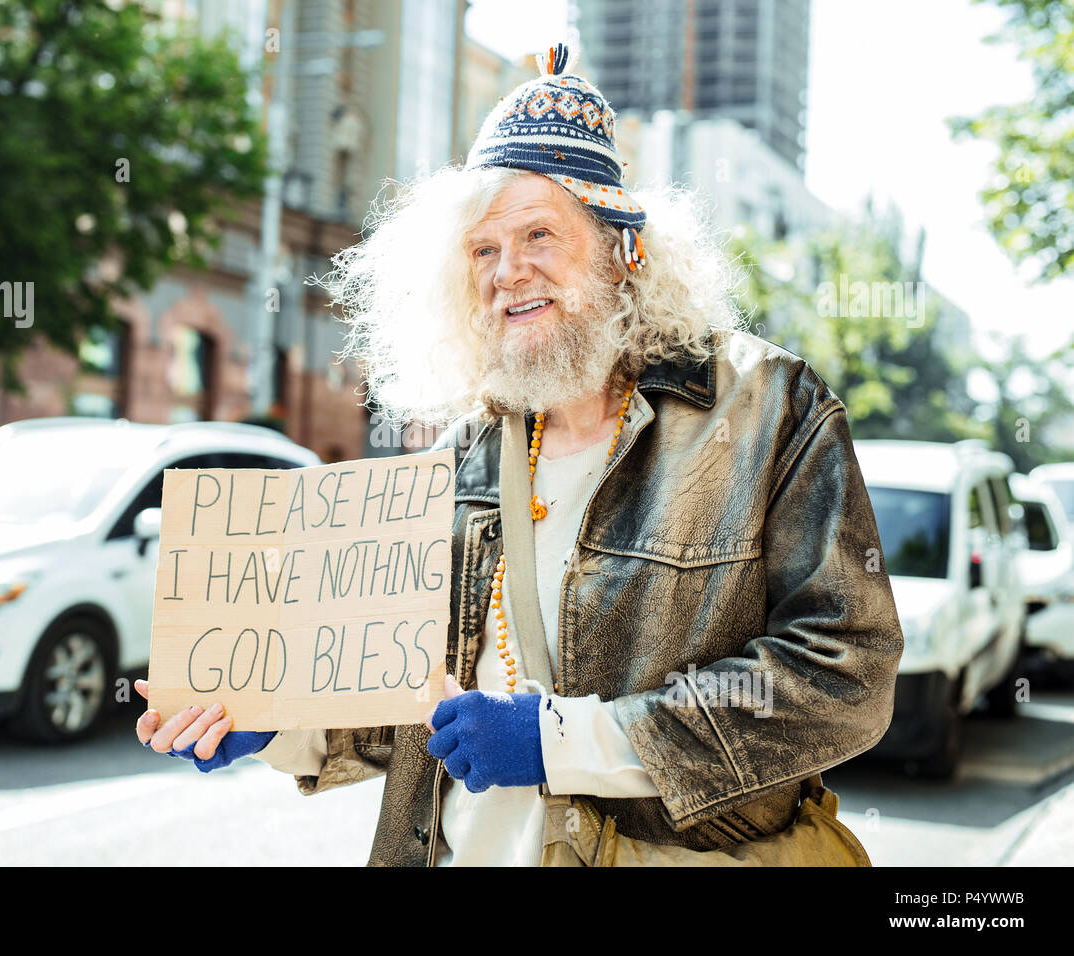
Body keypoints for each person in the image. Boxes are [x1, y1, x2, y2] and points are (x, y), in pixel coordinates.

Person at [135, 41, 903, 866]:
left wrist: (564, 741)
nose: (509, 271)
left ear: (622, 248)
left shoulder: (769, 410)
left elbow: (844, 678)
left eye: (540, 234)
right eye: (483, 250)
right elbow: (409, 701)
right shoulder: (467, 450)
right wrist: (269, 718)